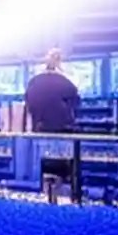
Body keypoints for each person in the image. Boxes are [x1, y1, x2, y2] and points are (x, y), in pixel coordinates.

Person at [25, 49, 82, 204]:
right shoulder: (64, 79)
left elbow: (28, 102)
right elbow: (76, 99)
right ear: (59, 61)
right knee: (64, 158)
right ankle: (62, 191)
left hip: (40, 127)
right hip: (62, 126)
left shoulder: (34, 80)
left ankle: (48, 191)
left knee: (46, 157)